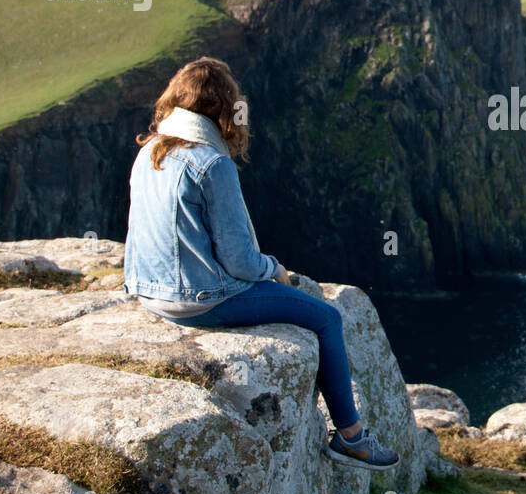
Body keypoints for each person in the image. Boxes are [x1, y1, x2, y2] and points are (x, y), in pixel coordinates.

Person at [122, 56, 398, 472]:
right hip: (199, 300)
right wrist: (274, 270)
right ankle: (351, 438)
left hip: (150, 292)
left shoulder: (150, 152)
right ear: (224, 110)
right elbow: (239, 262)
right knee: (326, 318)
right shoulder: (213, 165)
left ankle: (350, 437)